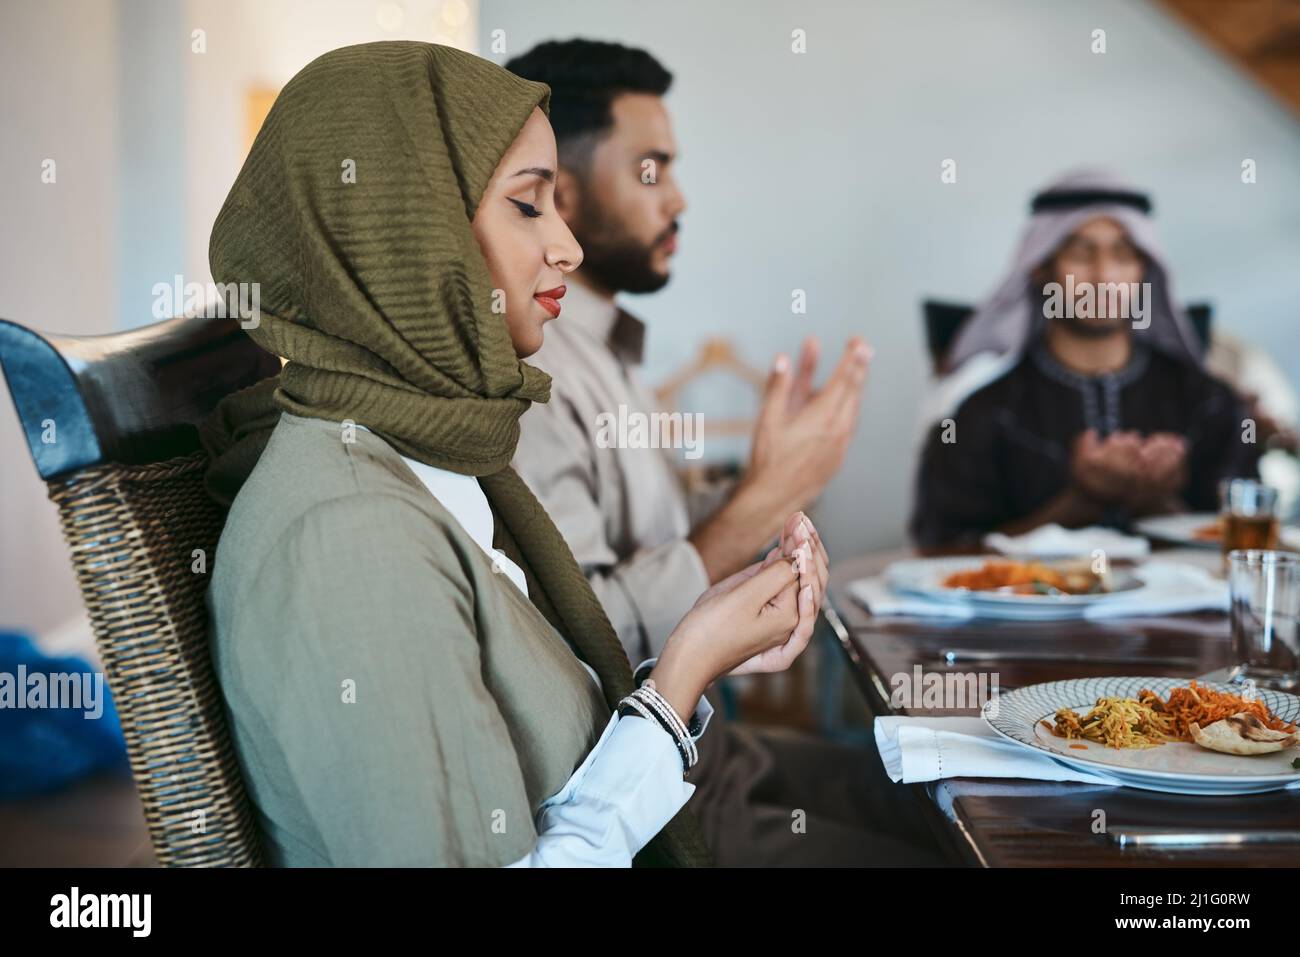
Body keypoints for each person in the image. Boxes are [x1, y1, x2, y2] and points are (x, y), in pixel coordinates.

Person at [199, 41, 829, 868]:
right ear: (409, 234)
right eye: (528, 206)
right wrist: (679, 681)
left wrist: (701, 643)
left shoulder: (437, 451)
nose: (565, 247)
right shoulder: (350, 536)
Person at [505, 40, 945, 867]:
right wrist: (764, 503)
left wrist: (761, 488)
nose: (678, 197)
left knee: (938, 792)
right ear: (560, 188)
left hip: (711, 751)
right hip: (635, 787)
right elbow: (583, 642)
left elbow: (648, 547)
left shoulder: (603, 347)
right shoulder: (537, 369)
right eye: (650, 169)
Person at [910, 169, 1261, 553]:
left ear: (1144, 272)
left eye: (1123, 253)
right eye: (1080, 253)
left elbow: (1250, 552)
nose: (1103, 276)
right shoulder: (981, 414)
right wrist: (1078, 503)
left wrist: (1155, 503)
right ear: (1042, 268)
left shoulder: (1210, 404)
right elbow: (936, 553)